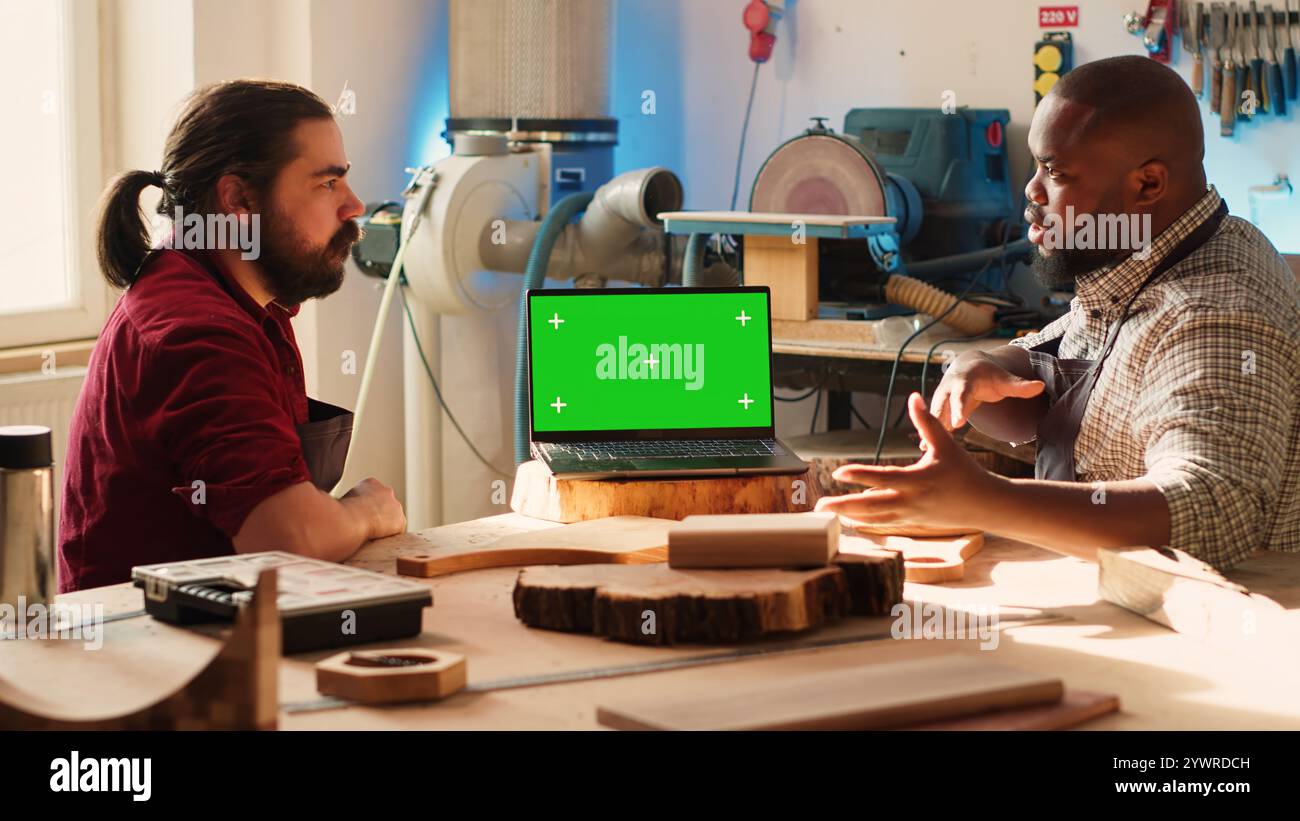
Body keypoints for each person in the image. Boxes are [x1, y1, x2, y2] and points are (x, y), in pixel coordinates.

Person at [816, 56, 1299, 571]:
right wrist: (988, 365)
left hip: (1217, 630)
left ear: (1148, 185)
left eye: (1056, 171)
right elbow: (1073, 354)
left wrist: (984, 500)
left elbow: (1214, 512)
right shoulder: (1149, 256)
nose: (1032, 191)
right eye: (1035, 165)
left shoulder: (1214, 315)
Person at [59, 79, 405, 592]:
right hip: (152, 657)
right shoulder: (198, 331)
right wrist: (368, 512)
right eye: (327, 183)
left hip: (214, 634)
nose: (354, 205)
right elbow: (288, 537)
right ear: (239, 199)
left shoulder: (243, 302)